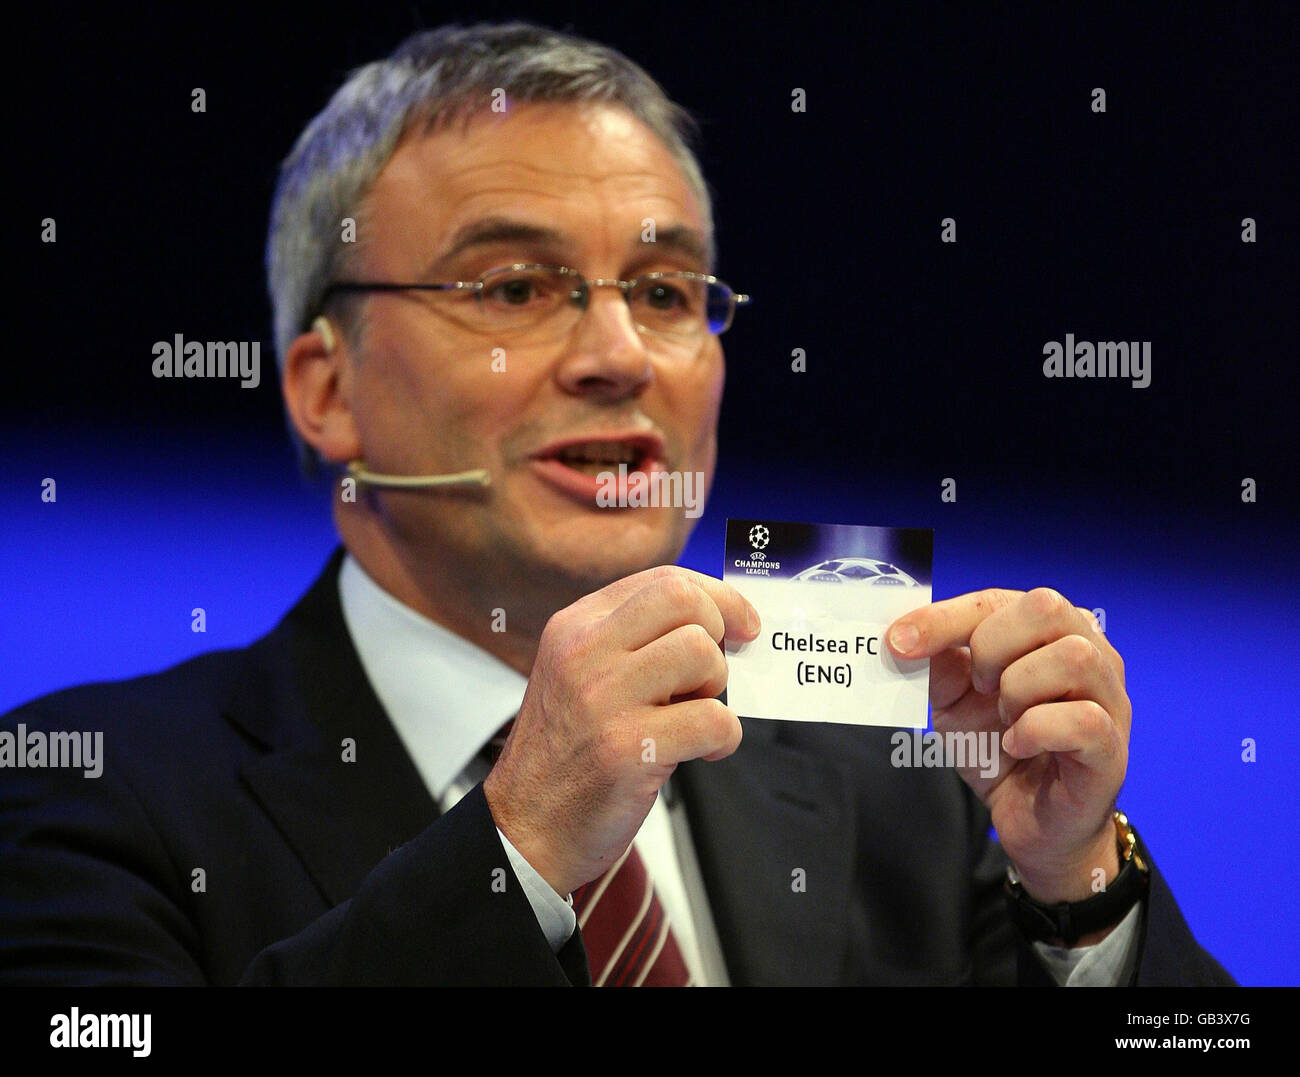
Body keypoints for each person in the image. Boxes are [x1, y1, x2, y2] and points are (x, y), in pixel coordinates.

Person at [0, 21, 1232, 986]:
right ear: (329, 390)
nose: (619, 354)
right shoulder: (89, 799)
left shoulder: (894, 794)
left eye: (663, 290)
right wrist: (521, 844)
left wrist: (1077, 890)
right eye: (516, 288)